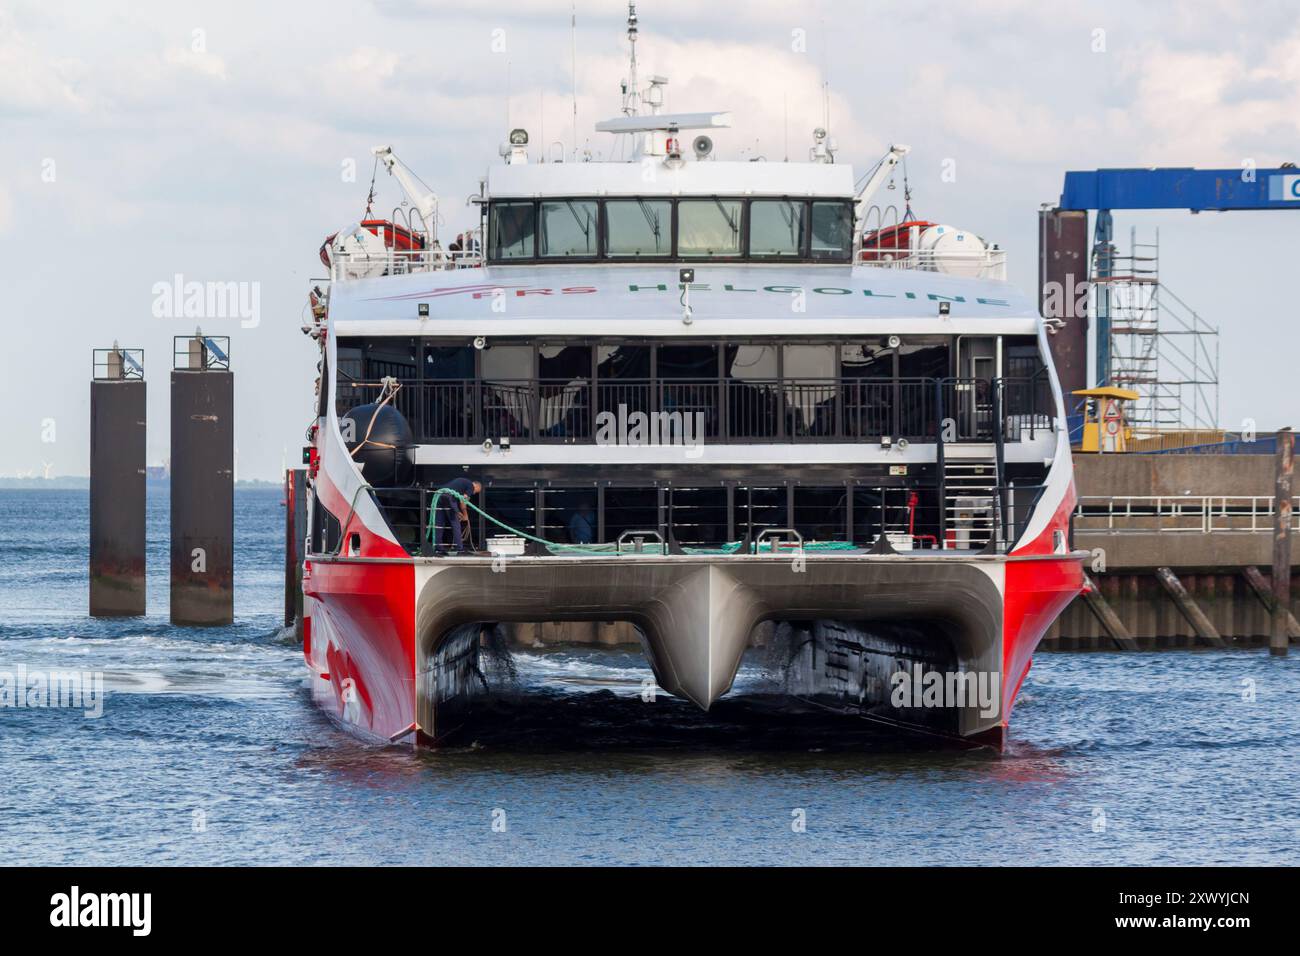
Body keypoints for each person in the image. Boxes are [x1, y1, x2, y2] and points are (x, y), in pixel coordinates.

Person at [432, 477, 481, 556]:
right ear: (476, 486)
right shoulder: (470, 486)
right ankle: (460, 549)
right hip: (449, 497)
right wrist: (465, 515)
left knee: (439, 524)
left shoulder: (462, 482)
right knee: (456, 524)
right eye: (476, 491)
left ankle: (438, 549)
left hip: (439, 496)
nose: (473, 493)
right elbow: (463, 501)